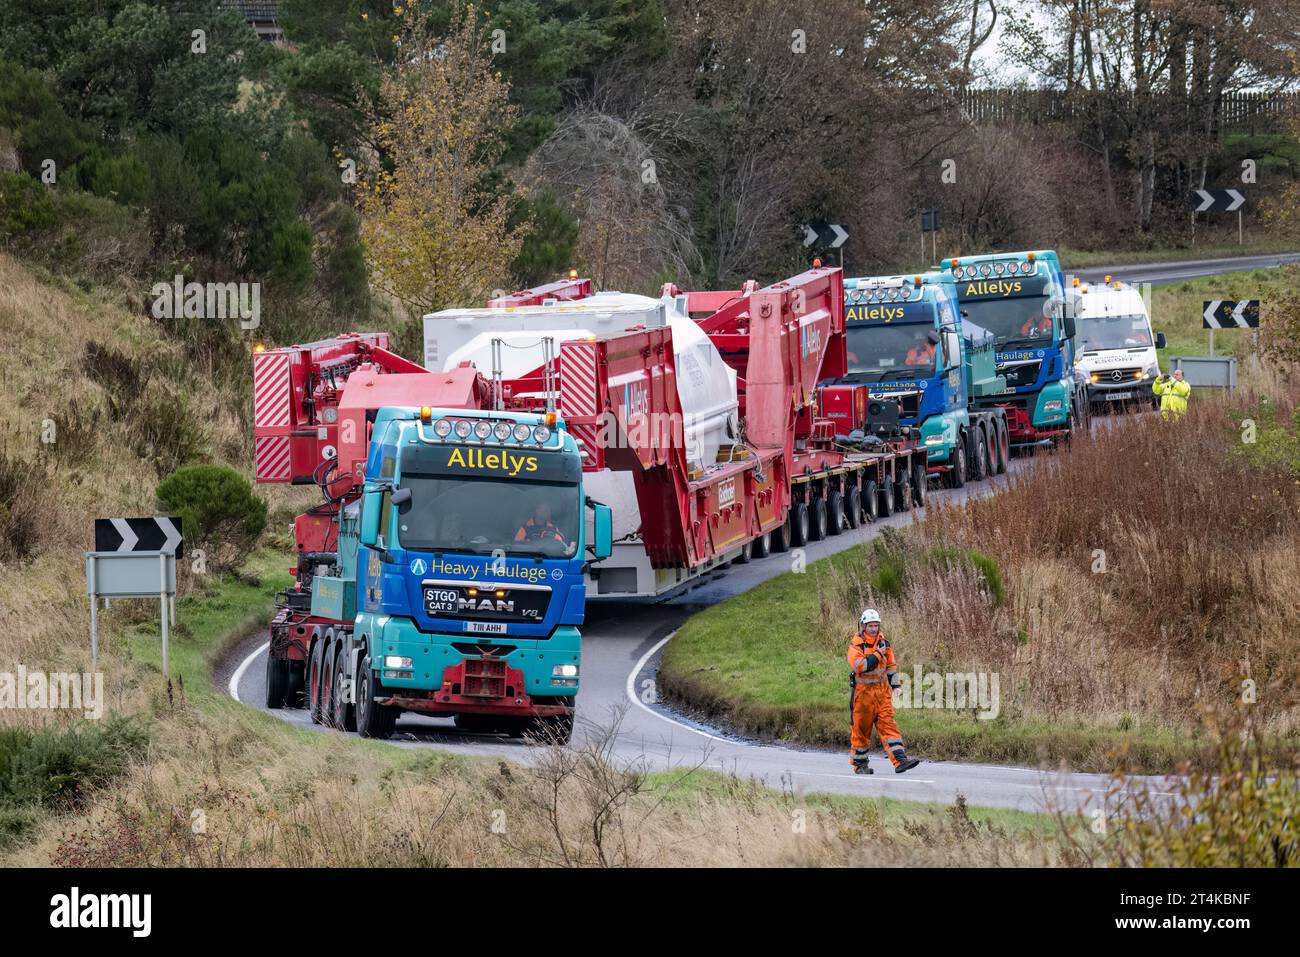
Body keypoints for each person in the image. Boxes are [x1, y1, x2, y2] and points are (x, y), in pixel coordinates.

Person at [848, 609, 920, 775]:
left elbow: (891, 666)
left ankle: (900, 761)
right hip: (862, 696)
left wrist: (895, 686)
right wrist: (878, 654)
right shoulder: (856, 646)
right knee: (861, 731)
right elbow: (861, 666)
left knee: (889, 727)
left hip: (882, 694)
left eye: (876, 625)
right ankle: (860, 765)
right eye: (870, 625)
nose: (874, 629)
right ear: (863, 626)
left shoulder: (884, 643)